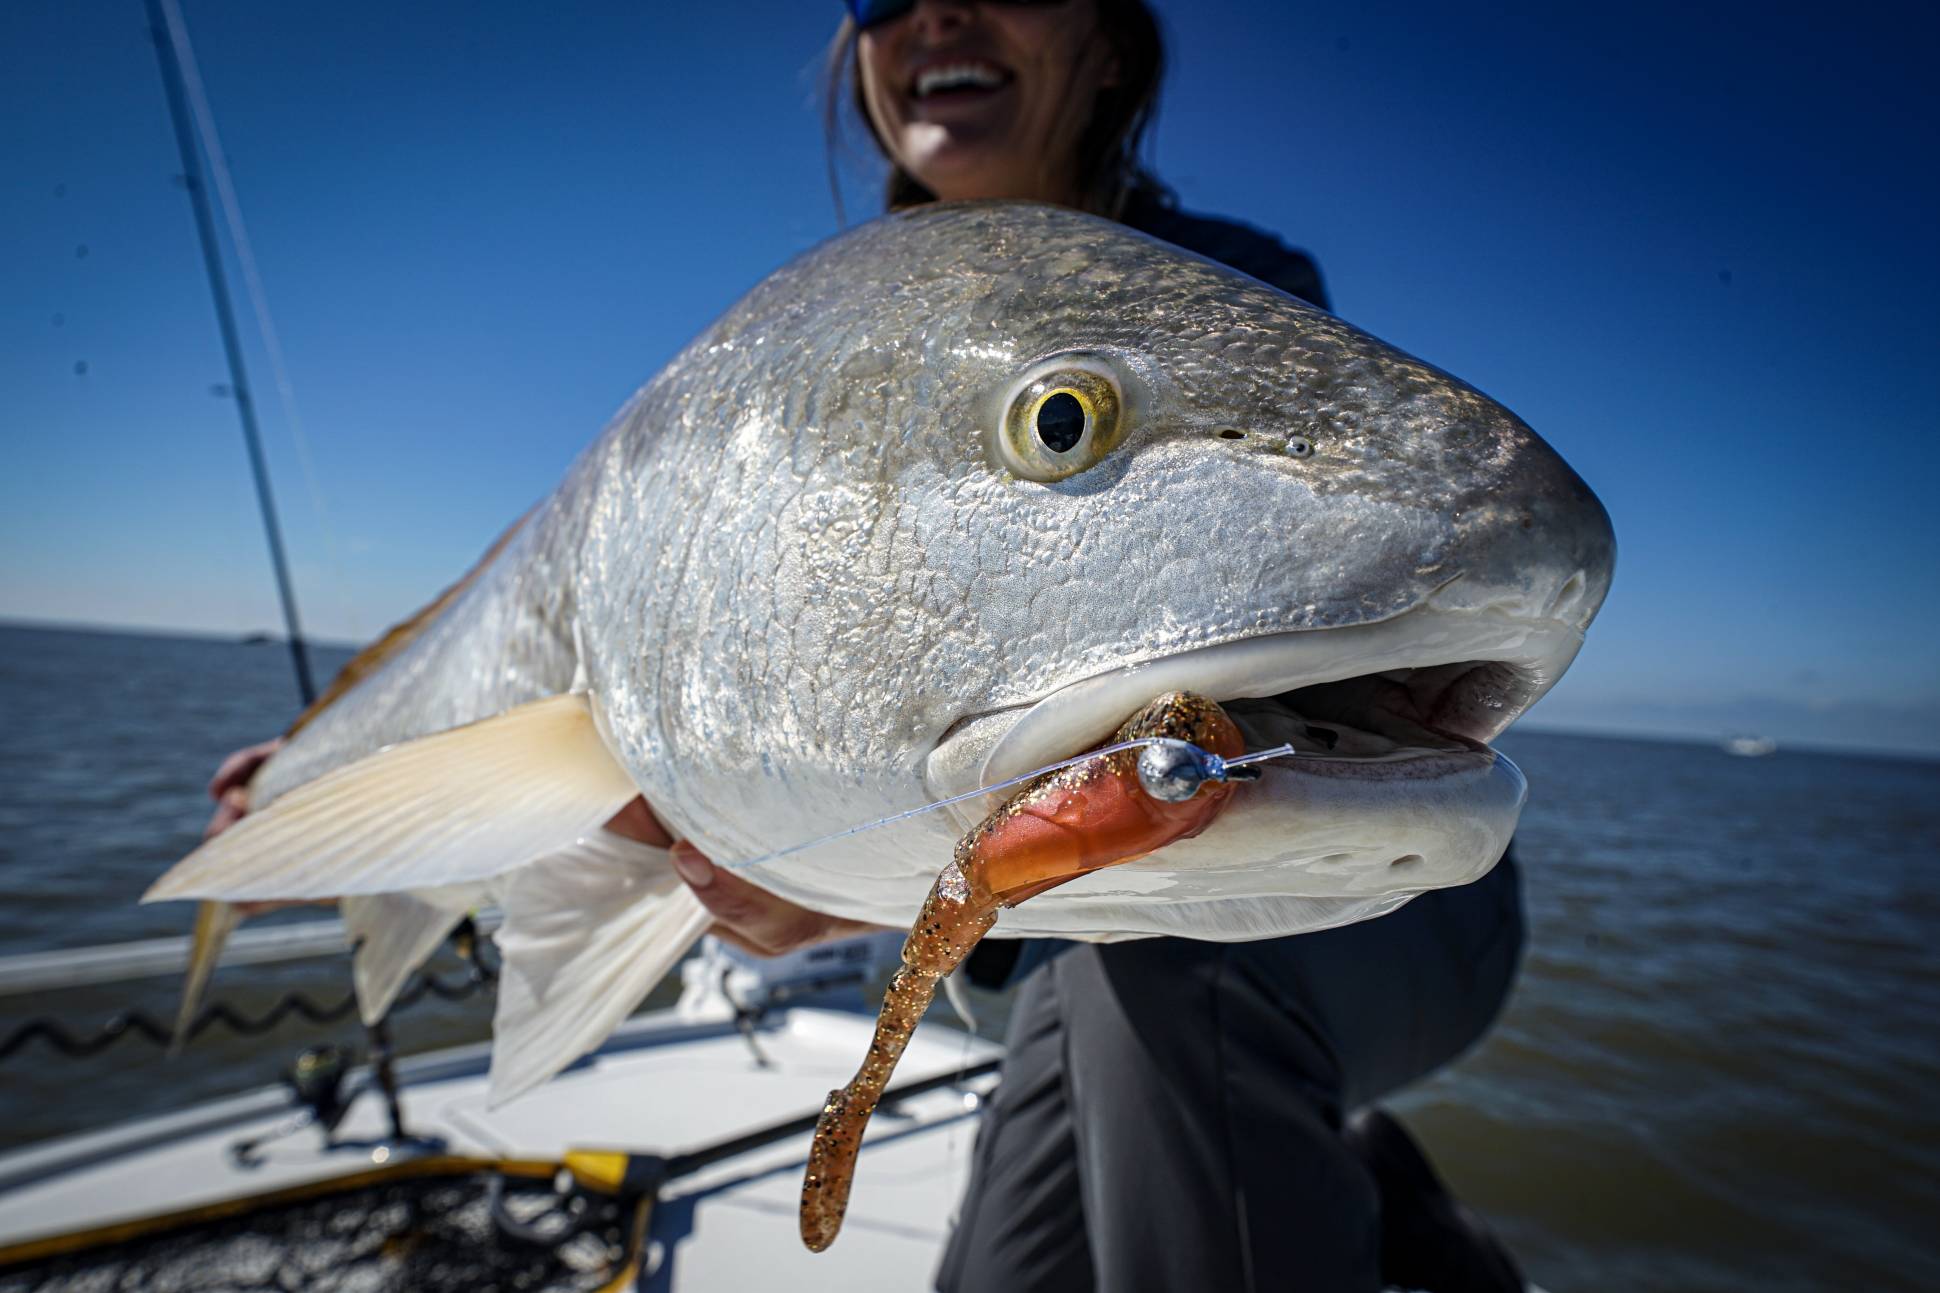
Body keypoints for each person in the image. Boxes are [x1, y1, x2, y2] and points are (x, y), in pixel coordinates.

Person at [208, 3, 1527, 1288]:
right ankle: (1393, 1217)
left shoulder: (1234, 296)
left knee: (1171, 984)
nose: (937, 13)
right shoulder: (798, 353)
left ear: (1110, 39)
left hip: (1387, 922)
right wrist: (316, 802)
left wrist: (848, 877)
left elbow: (1259, 742)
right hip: (1090, 964)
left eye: (1064, 420)